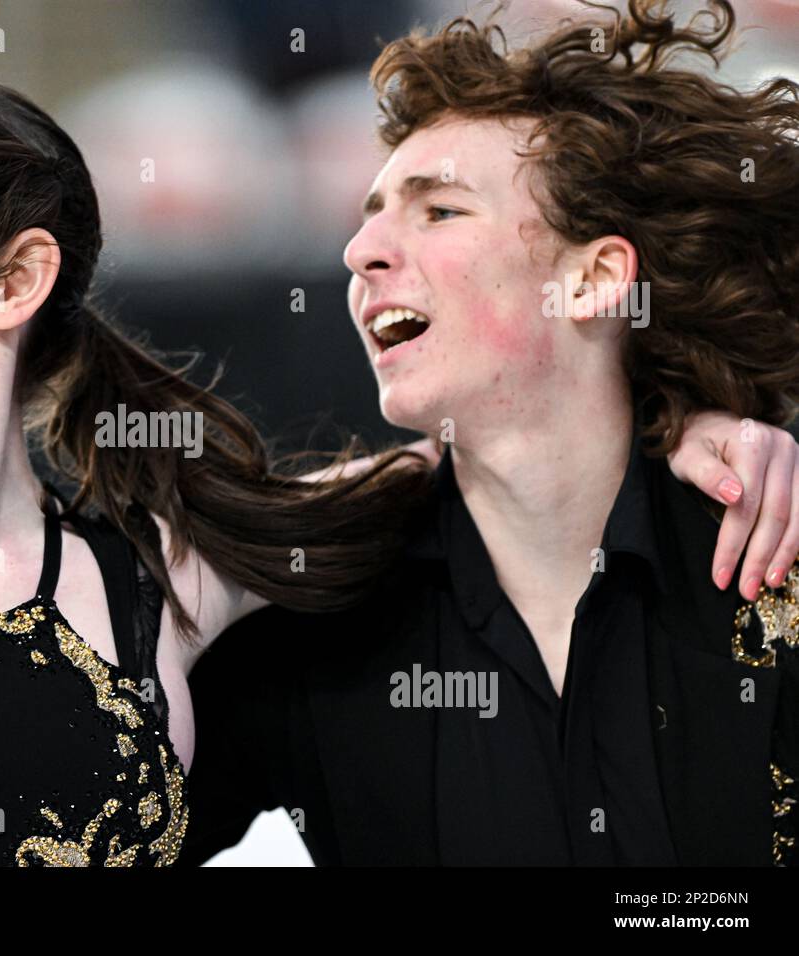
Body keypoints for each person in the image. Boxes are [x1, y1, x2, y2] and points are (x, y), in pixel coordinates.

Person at [0, 64, 796, 866]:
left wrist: (691, 418)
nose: (362, 251)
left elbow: (493, 472)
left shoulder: (185, 598)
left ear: (15, 276)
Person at [180, 0, 799, 866]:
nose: (361, 250)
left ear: (593, 279)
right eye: (371, 214)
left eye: (439, 212)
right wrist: (191, 592)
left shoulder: (765, 565)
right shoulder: (323, 610)